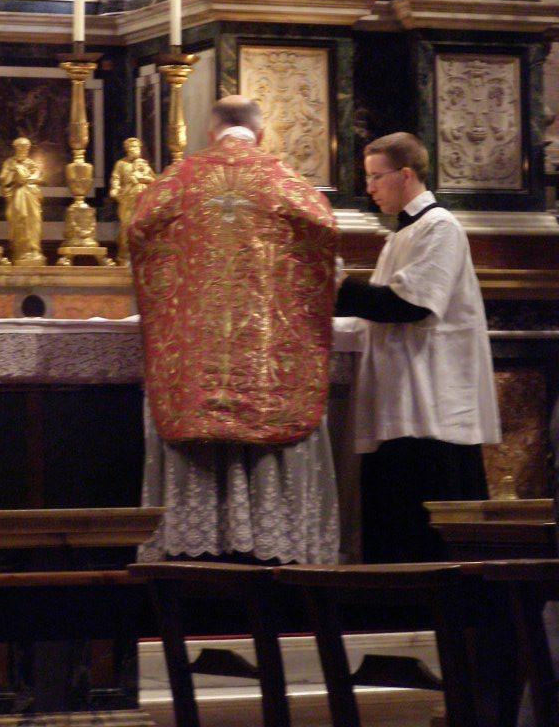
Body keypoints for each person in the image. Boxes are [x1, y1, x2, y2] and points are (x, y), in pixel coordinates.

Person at [129, 95, 339, 564]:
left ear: (210, 132)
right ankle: (272, 557)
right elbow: (324, 240)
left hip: (196, 366)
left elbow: (140, 234)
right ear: (261, 134)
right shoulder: (291, 186)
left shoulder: (173, 184)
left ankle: (193, 560)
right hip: (266, 364)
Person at [335, 131, 502, 563]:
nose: (369, 188)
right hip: (403, 396)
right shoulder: (401, 235)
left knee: (427, 521)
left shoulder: (440, 227)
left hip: (431, 405)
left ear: (405, 174)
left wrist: (339, 287)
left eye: (376, 177)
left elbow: (409, 305)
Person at [0, 137, 46, 266]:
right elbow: (3, 178)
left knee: (34, 220)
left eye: (26, 148)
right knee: (21, 219)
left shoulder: (31, 163)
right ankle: (21, 251)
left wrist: (29, 179)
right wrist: (14, 174)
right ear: (15, 148)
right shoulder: (10, 163)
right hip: (17, 196)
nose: (23, 150)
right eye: (20, 148)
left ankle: (34, 250)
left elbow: (40, 176)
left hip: (31, 196)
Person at [109, 137, 156, 265]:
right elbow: (115, 178)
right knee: (126, 226)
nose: (133, 149)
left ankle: (142, 256)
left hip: (143, 199)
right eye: (131, 147)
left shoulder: (144, 164)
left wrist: (145, 179)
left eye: (136, 147)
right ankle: (124, 256)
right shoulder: (121, 164)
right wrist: (115, 189)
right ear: (127, 149)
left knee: (143, 226)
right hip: (127, 198)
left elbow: (154, 180)